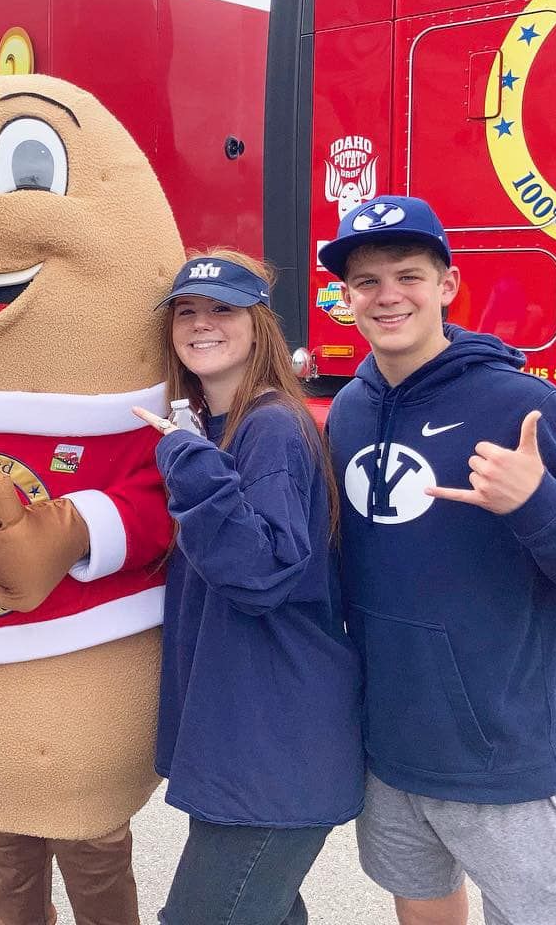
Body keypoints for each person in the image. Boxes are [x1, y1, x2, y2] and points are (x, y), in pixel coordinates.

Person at [319, 196, 556, 925]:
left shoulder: (520, 405)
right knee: (421, 899)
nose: (386, 296)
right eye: (366, 283)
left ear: (446, 285)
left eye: (407, 275)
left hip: (505, 756)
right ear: (346, 301)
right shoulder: (347, 409)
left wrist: (539, 500)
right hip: (391, 743)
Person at [133, 251, 362, 925]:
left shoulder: (269, 428)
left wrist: (186, 460)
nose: (202, 324)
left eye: (223, 309)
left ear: (258, 324)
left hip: (276, 749)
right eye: (187, 312)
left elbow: (259, 574)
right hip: (255, 739)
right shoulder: (218, 425)